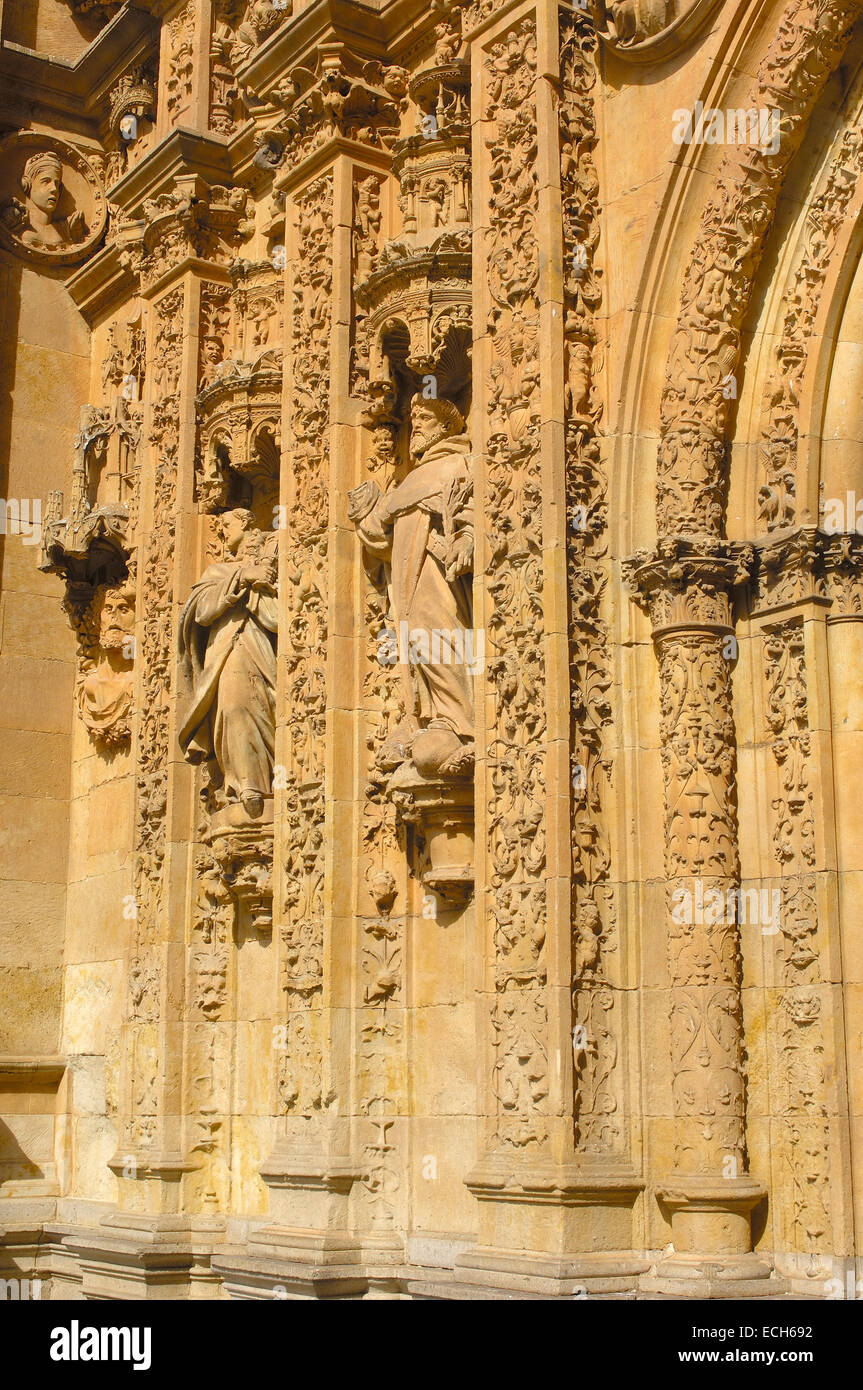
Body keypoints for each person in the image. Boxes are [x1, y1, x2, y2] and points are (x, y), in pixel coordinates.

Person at [349, 393, 475, 779]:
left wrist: (467, 541)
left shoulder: (458, 464)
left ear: (447, 426)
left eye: (426, 418)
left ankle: (458, 719)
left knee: (439, 631)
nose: (416, 424)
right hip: (405, 582)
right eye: (414, 418)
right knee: (414, 640)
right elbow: (383, 537)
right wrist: (366, 509)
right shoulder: (409, 481)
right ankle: (423, 715)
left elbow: (474, 512)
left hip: (436, 570)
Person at [178, 509, 277, 816]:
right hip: (226, 650)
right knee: (232, 706)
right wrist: (242, 578)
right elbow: (201, 612)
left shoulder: (272, 564)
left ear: (246, 524)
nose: (223, 531)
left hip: (257, 645)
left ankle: (266, 780)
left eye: (227, 524)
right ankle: (245, 783)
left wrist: (263, 584)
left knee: (259, 704)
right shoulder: (218, 572)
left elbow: (280, 616)